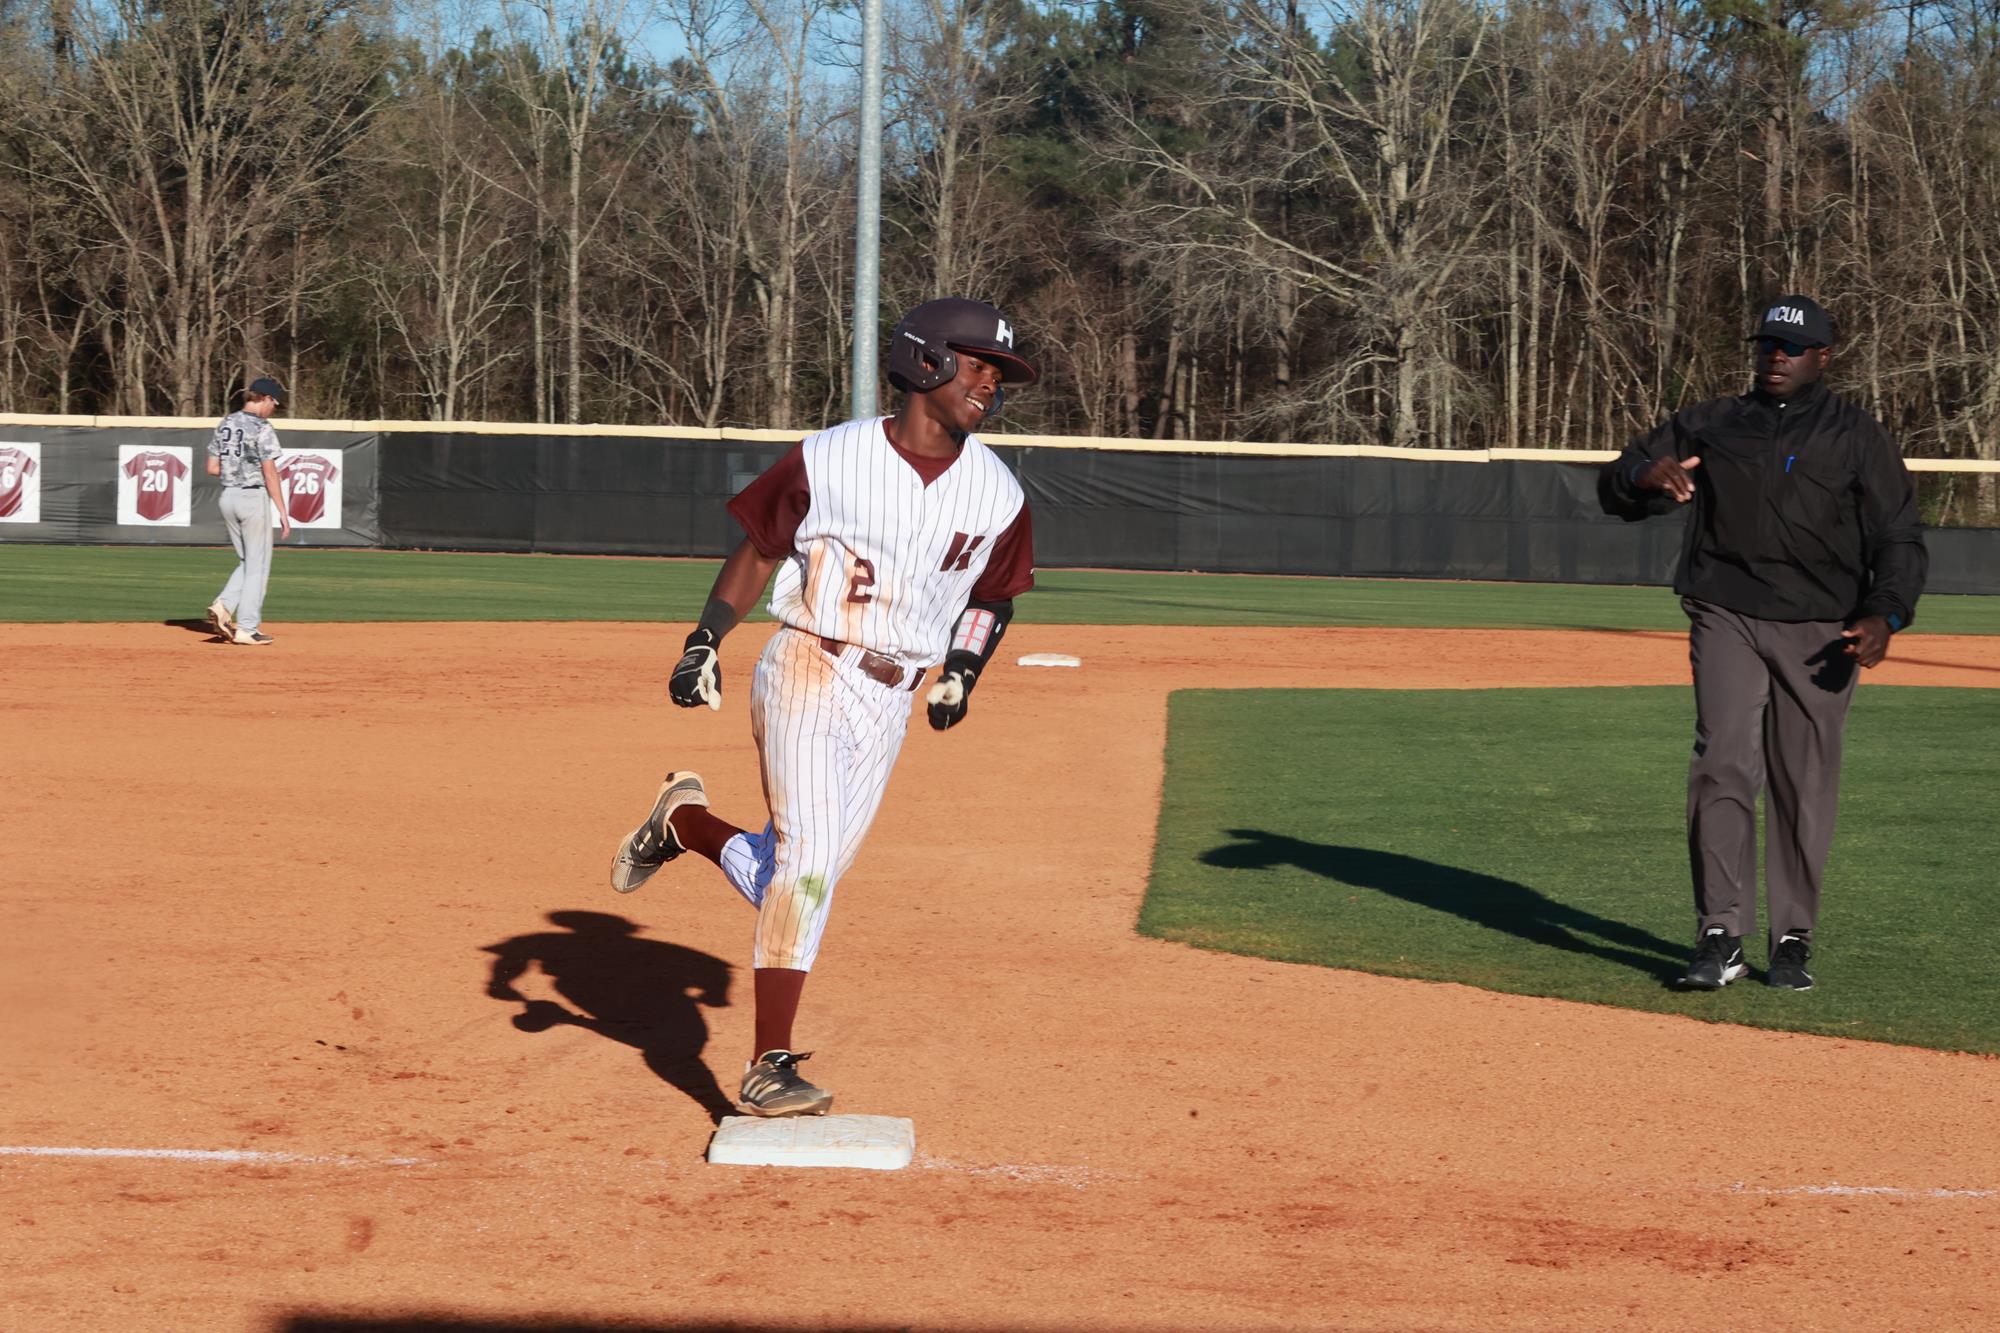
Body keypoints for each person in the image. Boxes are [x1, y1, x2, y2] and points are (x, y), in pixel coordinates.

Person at [609, 297, 1038, 1116]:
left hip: (895, 693)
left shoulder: (998, 494)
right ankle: (769, 1062)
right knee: (806, 864)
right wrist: (705, 640)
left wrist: (964, 668)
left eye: (1000, 374)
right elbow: (760, 549)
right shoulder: (831, 458)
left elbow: (993, 596)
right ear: (926, 362)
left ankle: (685, 824)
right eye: (979, 364)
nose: (992, 384)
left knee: (802, 877)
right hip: (809, 660)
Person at [1598, 294, 1927, 992]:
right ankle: (1719, 932)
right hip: (1727, 608)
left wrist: (1886, 613)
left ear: (1822, 356)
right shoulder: (1714, 423)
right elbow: (1620, 480)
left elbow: (1898, 534)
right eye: (1767, 345)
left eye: (1792, 347)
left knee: (1802, 782)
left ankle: (1792, 936)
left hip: (1824, 629)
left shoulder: (1856, 435)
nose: (1776, 357)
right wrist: (1640, 476)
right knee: (1721, 760)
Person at [205, 377, 291, 645]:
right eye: (274, 403)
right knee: (259, 566)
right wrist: (283, 512)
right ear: (265, 398)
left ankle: (224, 605)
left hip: (227, 496)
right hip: (251, 497)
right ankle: (247, 627)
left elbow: (212, 467)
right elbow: (270, 472)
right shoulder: (262, 427)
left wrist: (237, 468)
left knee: (248, 562)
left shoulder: (226, 423)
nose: (273, 409)